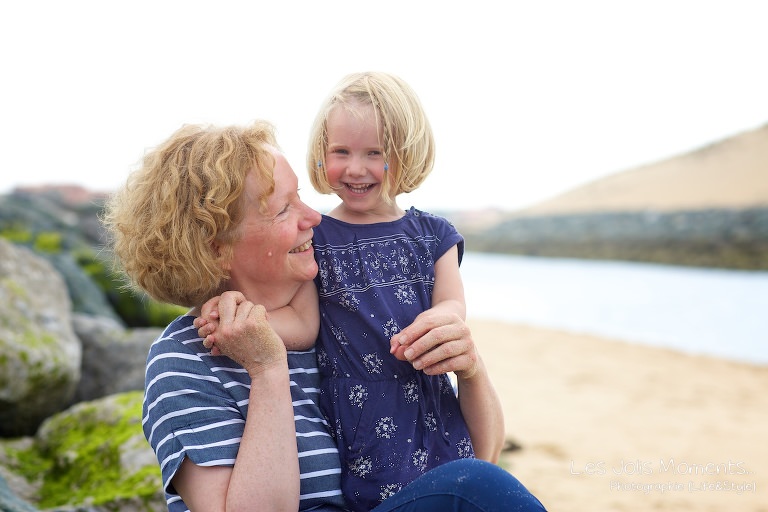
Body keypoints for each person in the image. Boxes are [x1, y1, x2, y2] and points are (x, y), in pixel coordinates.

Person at [106, 121, 546, 511]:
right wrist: (267, 370)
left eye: (299, 196)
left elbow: (483, 457)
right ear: (216, 249)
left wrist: (470, 368)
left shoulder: (347, 316)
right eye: (283, 208)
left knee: (477, 484)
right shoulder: (185, 360)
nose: (313, 217)